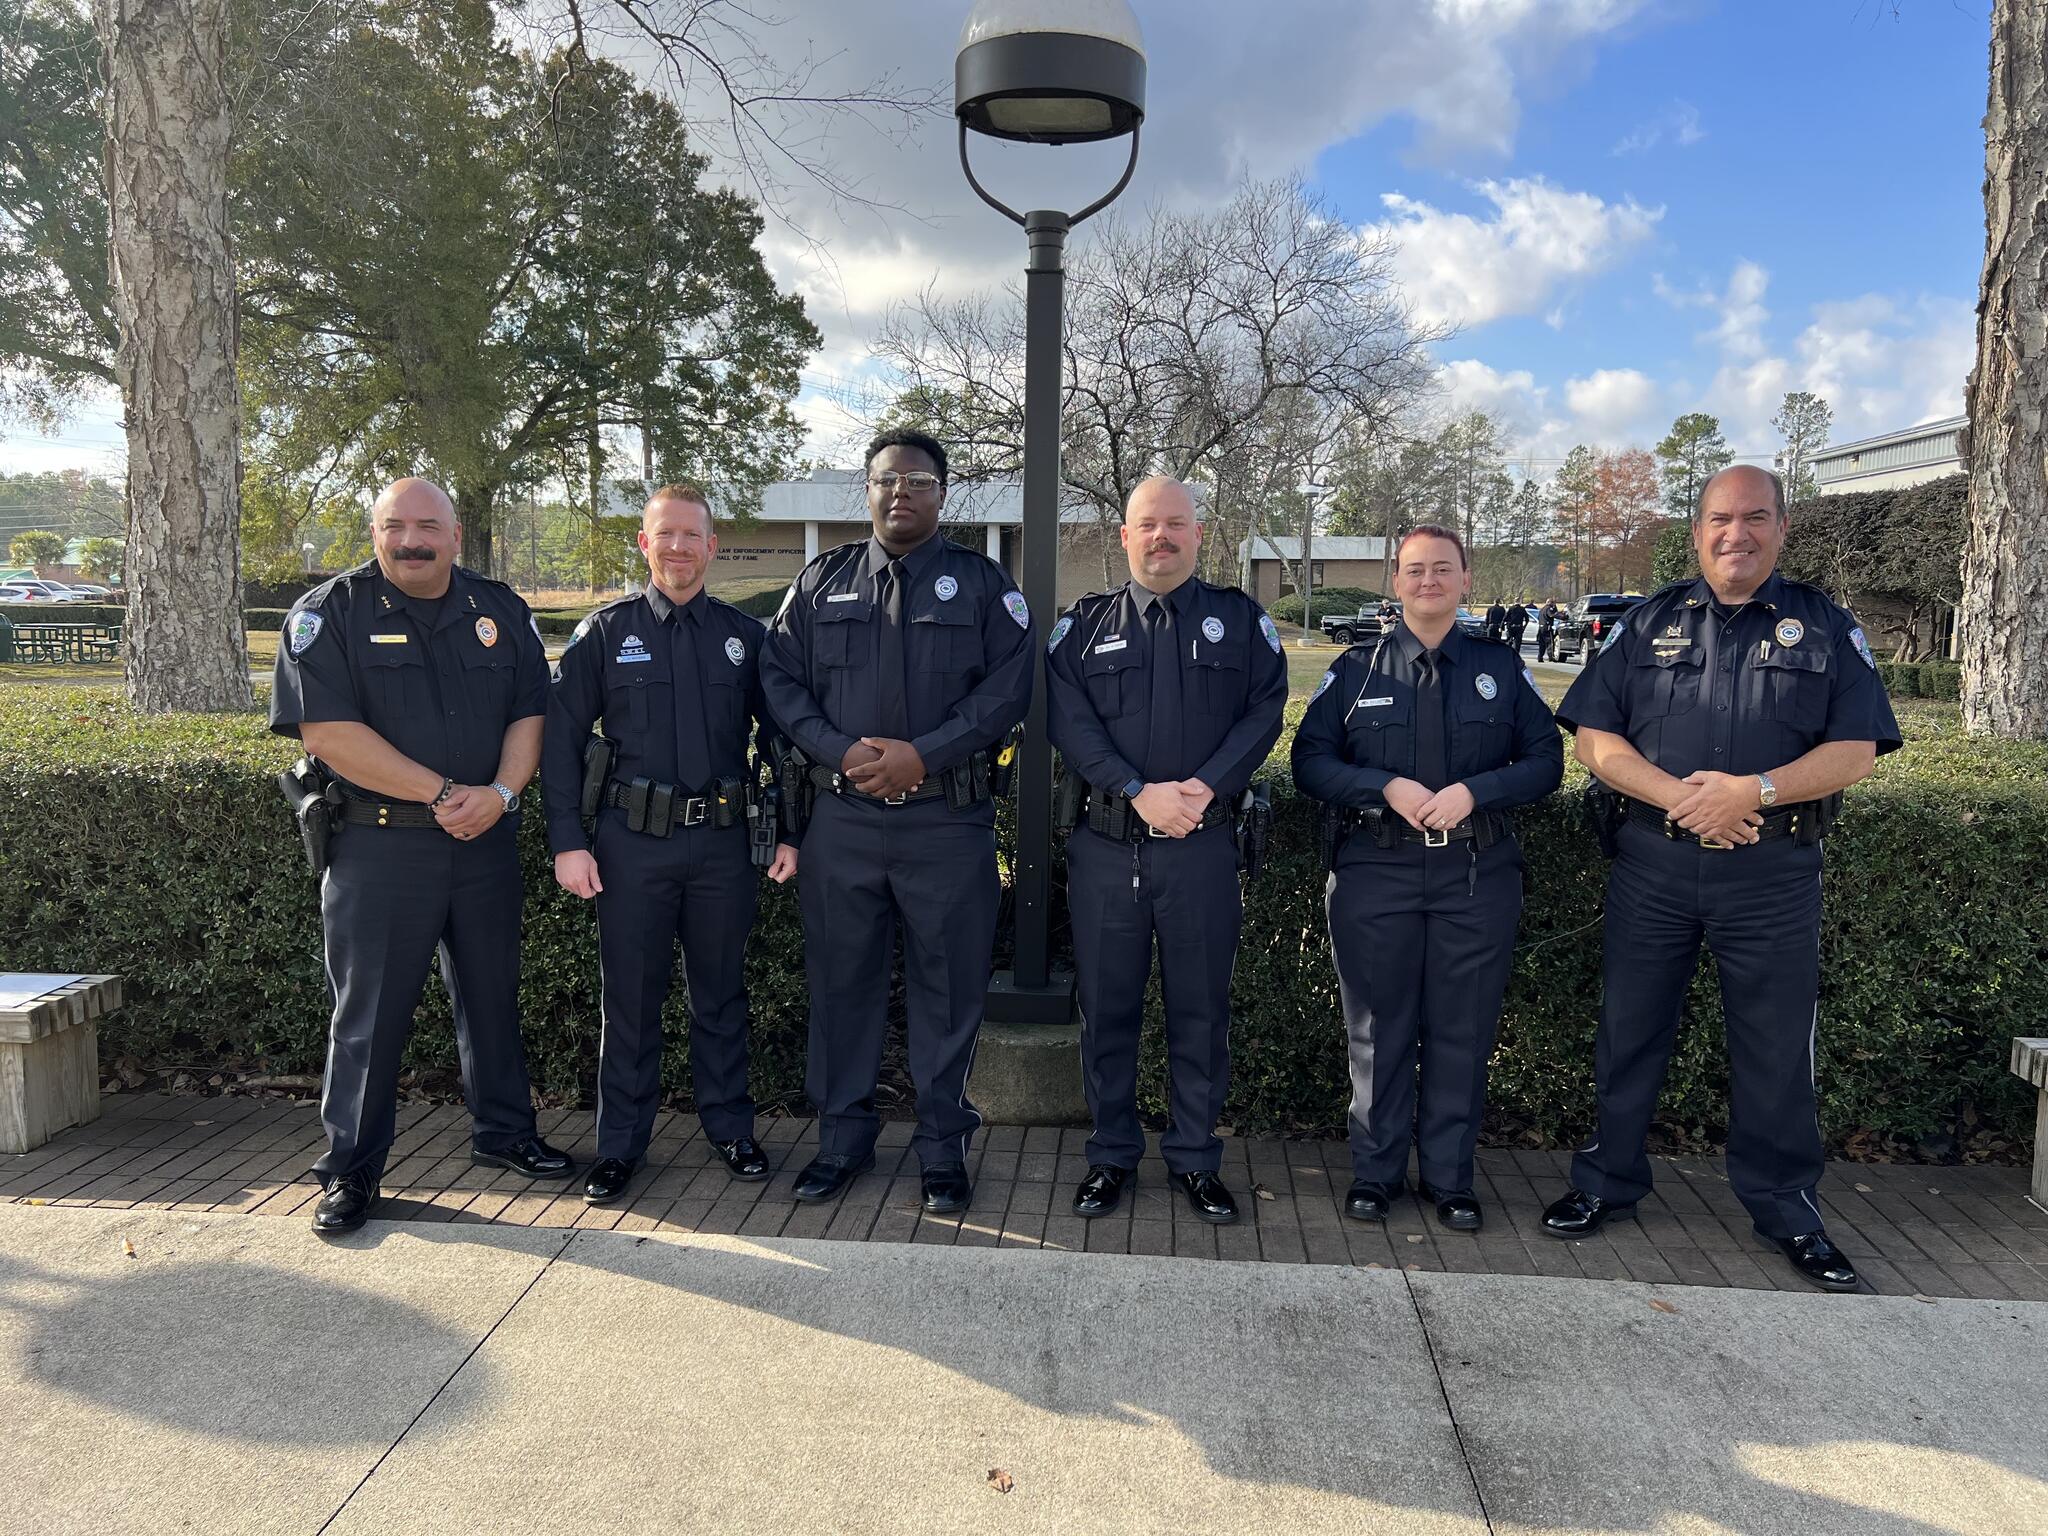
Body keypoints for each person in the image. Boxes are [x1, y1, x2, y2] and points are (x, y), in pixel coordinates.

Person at [1542, 465, 1901, 1291]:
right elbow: (1595, 740)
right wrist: (1683, 800)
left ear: (1781, 528)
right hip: (1654, 865)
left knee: (1776, 1047)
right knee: (1628, 1030)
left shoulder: (1825, 626)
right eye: (1719, 519)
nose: (1736, 534)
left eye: (1755, 518)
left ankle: (1787, 1209)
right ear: (1696, 529)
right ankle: (1607, 1182)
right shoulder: (1647, 623)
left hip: (1771, 872)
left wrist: (1754, 792)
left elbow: (1856, 750)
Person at [271, 478, 572, 1236]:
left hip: (483, 842)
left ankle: (505, 1135)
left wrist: (501, 795)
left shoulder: (500, 609)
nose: (412, 540)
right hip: (380, 849)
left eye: (428, 526)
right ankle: (349, 1172)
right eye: (395, 526)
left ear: (455, 532)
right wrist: (444, 793)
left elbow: (530, 712)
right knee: (368, 1017)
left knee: (492, 999)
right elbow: (328, 735)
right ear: (373, 531)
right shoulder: (328, 613)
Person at [759, 429, 1033, 1214]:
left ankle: (942, 1152)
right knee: (842, 988)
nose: (900, 493)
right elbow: (781, 682)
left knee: (947, 993)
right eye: (886, 481)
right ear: (868, 491)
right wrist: (840, 751)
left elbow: (1009, 690)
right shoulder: (822, 582)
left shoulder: (983, 586)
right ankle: (841, 1144)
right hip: (841, 824)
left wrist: (927, 754)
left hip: (946, 822)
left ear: (942, 495)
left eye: (917, 481)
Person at [1292, 525, 1561, 1231]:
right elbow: (1310, 763)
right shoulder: (1355, 671)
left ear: (1466, 579)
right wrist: (1382, 785)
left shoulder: (1500, 669)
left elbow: (1546, 763)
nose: (1429, 581)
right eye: (1415, 570)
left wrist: (1477, 792)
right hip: (1375, 869)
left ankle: (1450, 1178)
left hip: (1475, 871)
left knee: (1461, 1031)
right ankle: (1375, 1175)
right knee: (1377, 1032)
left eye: (1443, 569)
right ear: (1397, 582)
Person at [542, 486, 799, 1207]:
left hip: (723, 846)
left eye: (693, 536)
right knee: (630, 1001)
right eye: (666, 535)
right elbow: (561, 744)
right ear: (643, 544)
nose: (680, 548)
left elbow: (779, 741)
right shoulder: (604, 633)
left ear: (712, 548)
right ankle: (620, 1145)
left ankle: (730, 1129)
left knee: (721, 996)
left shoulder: (745, 638)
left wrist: (786, 831)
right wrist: (568, 841)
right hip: (632, 846)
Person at [1046, 477, 1287, 1225]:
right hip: (1109, 849)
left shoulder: (1241, 623)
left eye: (1175, 525)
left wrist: (1206, 789)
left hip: (1202, 853)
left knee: (1199, 1013)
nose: (1162, 537)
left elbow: (1264, 712)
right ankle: (1111, 1156)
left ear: (1199, 534)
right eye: (1147, 525)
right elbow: (1068, 720)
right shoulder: (1081, 629)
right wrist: (1133, 787)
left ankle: (1194, 1158)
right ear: (1124, 536)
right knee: (1108, 1011)